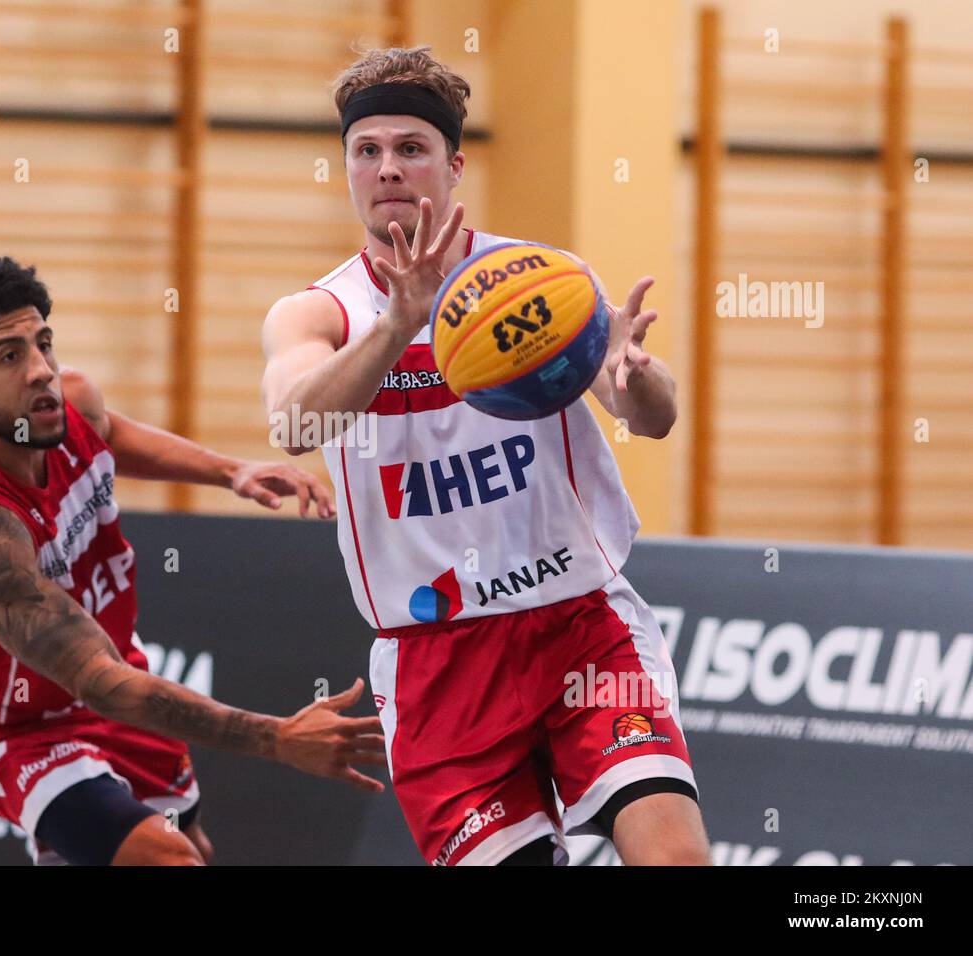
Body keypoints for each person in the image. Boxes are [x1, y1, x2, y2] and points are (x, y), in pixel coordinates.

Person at [259, 46, 710, 866]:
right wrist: (399, 325)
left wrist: (634, 376)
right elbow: (292, 424)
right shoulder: (317, 313)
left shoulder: (536, 283)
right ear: (348, 168)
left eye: (411, 149)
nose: (388, 168)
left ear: (454, 166)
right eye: (368, 151)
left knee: (675, 857)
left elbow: (653, 416)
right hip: (438, 663)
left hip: (578, 628)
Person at [0, 256, 385, 866]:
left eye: (42, 344)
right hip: (12, 725)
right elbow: (98, 684)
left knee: (194, 848)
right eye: (9, 356)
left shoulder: (65, 402)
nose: (41, 371)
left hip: (109, 673)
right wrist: (279, 737)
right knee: (166, 858)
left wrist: (231, 470)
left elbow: (110, 433)